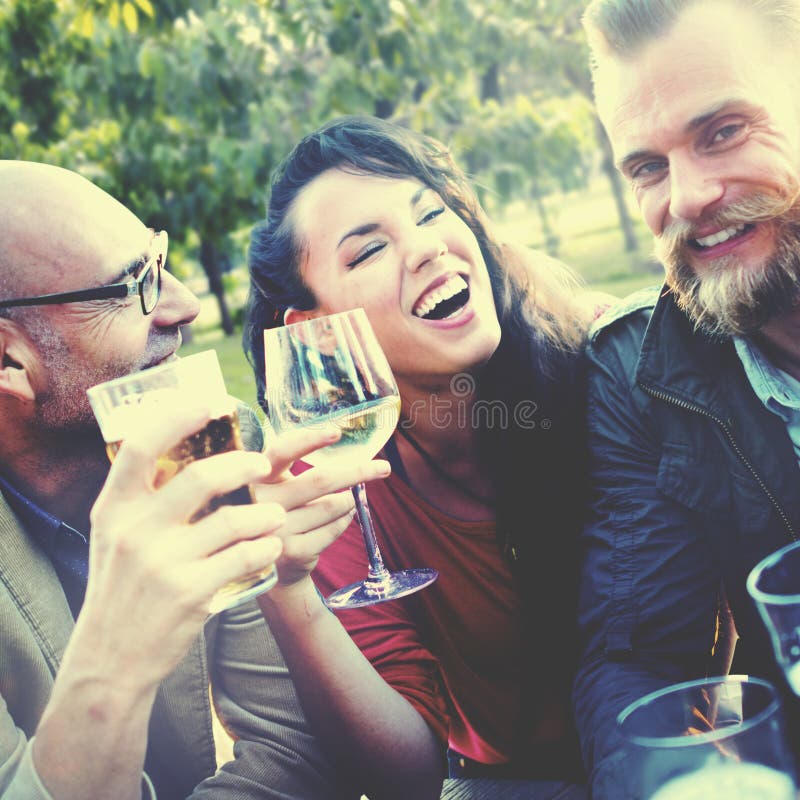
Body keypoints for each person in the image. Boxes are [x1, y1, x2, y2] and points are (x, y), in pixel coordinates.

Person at [0, 160, 389, 799]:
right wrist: (113, 659)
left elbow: (295, 751)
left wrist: (284, 584)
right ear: (9, 358)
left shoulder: (199, 446)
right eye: (133, 285)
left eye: (160, 260)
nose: (186, 303)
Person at [243, 115, 596, 799]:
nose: (428, 248)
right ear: (316, 330)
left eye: (431, 212)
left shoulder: (602, 373)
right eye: (368, 252)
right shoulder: (333, 498)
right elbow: (405, 778)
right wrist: (285, 586)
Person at [574, 0, 800, 795]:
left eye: (724, 131)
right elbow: (642, 656)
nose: (689, 197)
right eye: (647, 167)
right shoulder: (641, 374)